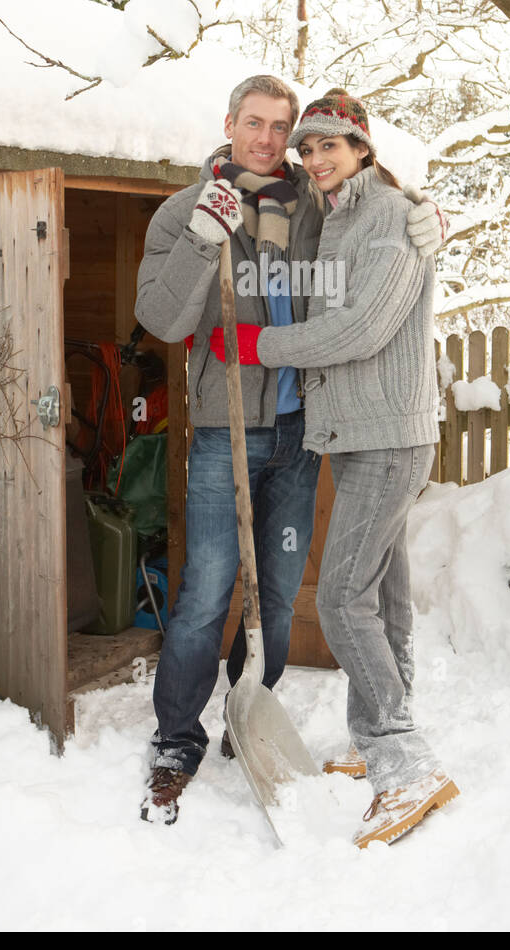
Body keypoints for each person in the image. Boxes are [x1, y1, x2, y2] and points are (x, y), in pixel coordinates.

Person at [134, 75, 446, 824]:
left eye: (283, 128)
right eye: (257, 124)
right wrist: (203, 239)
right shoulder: (184, 210)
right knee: (207, 592)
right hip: (226, 431)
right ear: (229, 124)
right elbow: (162, 319)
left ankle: (254, 712)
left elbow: (374, 217)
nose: (271, 141)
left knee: (277, 593)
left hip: (302, 430)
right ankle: (176, 738)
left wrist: (426, 216)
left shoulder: (313, 203)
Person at [209, 90, 459, 848]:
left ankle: (403, 762)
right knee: (383, 593)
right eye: (309, 147)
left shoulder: (389, 217)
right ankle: (377, 732)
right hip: (357, 434)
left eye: (331, 145)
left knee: (345, 598)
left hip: (387, 437)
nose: (316, 158)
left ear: (363, 150)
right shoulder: (339, 216)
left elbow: (361, 328)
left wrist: (259, 348)